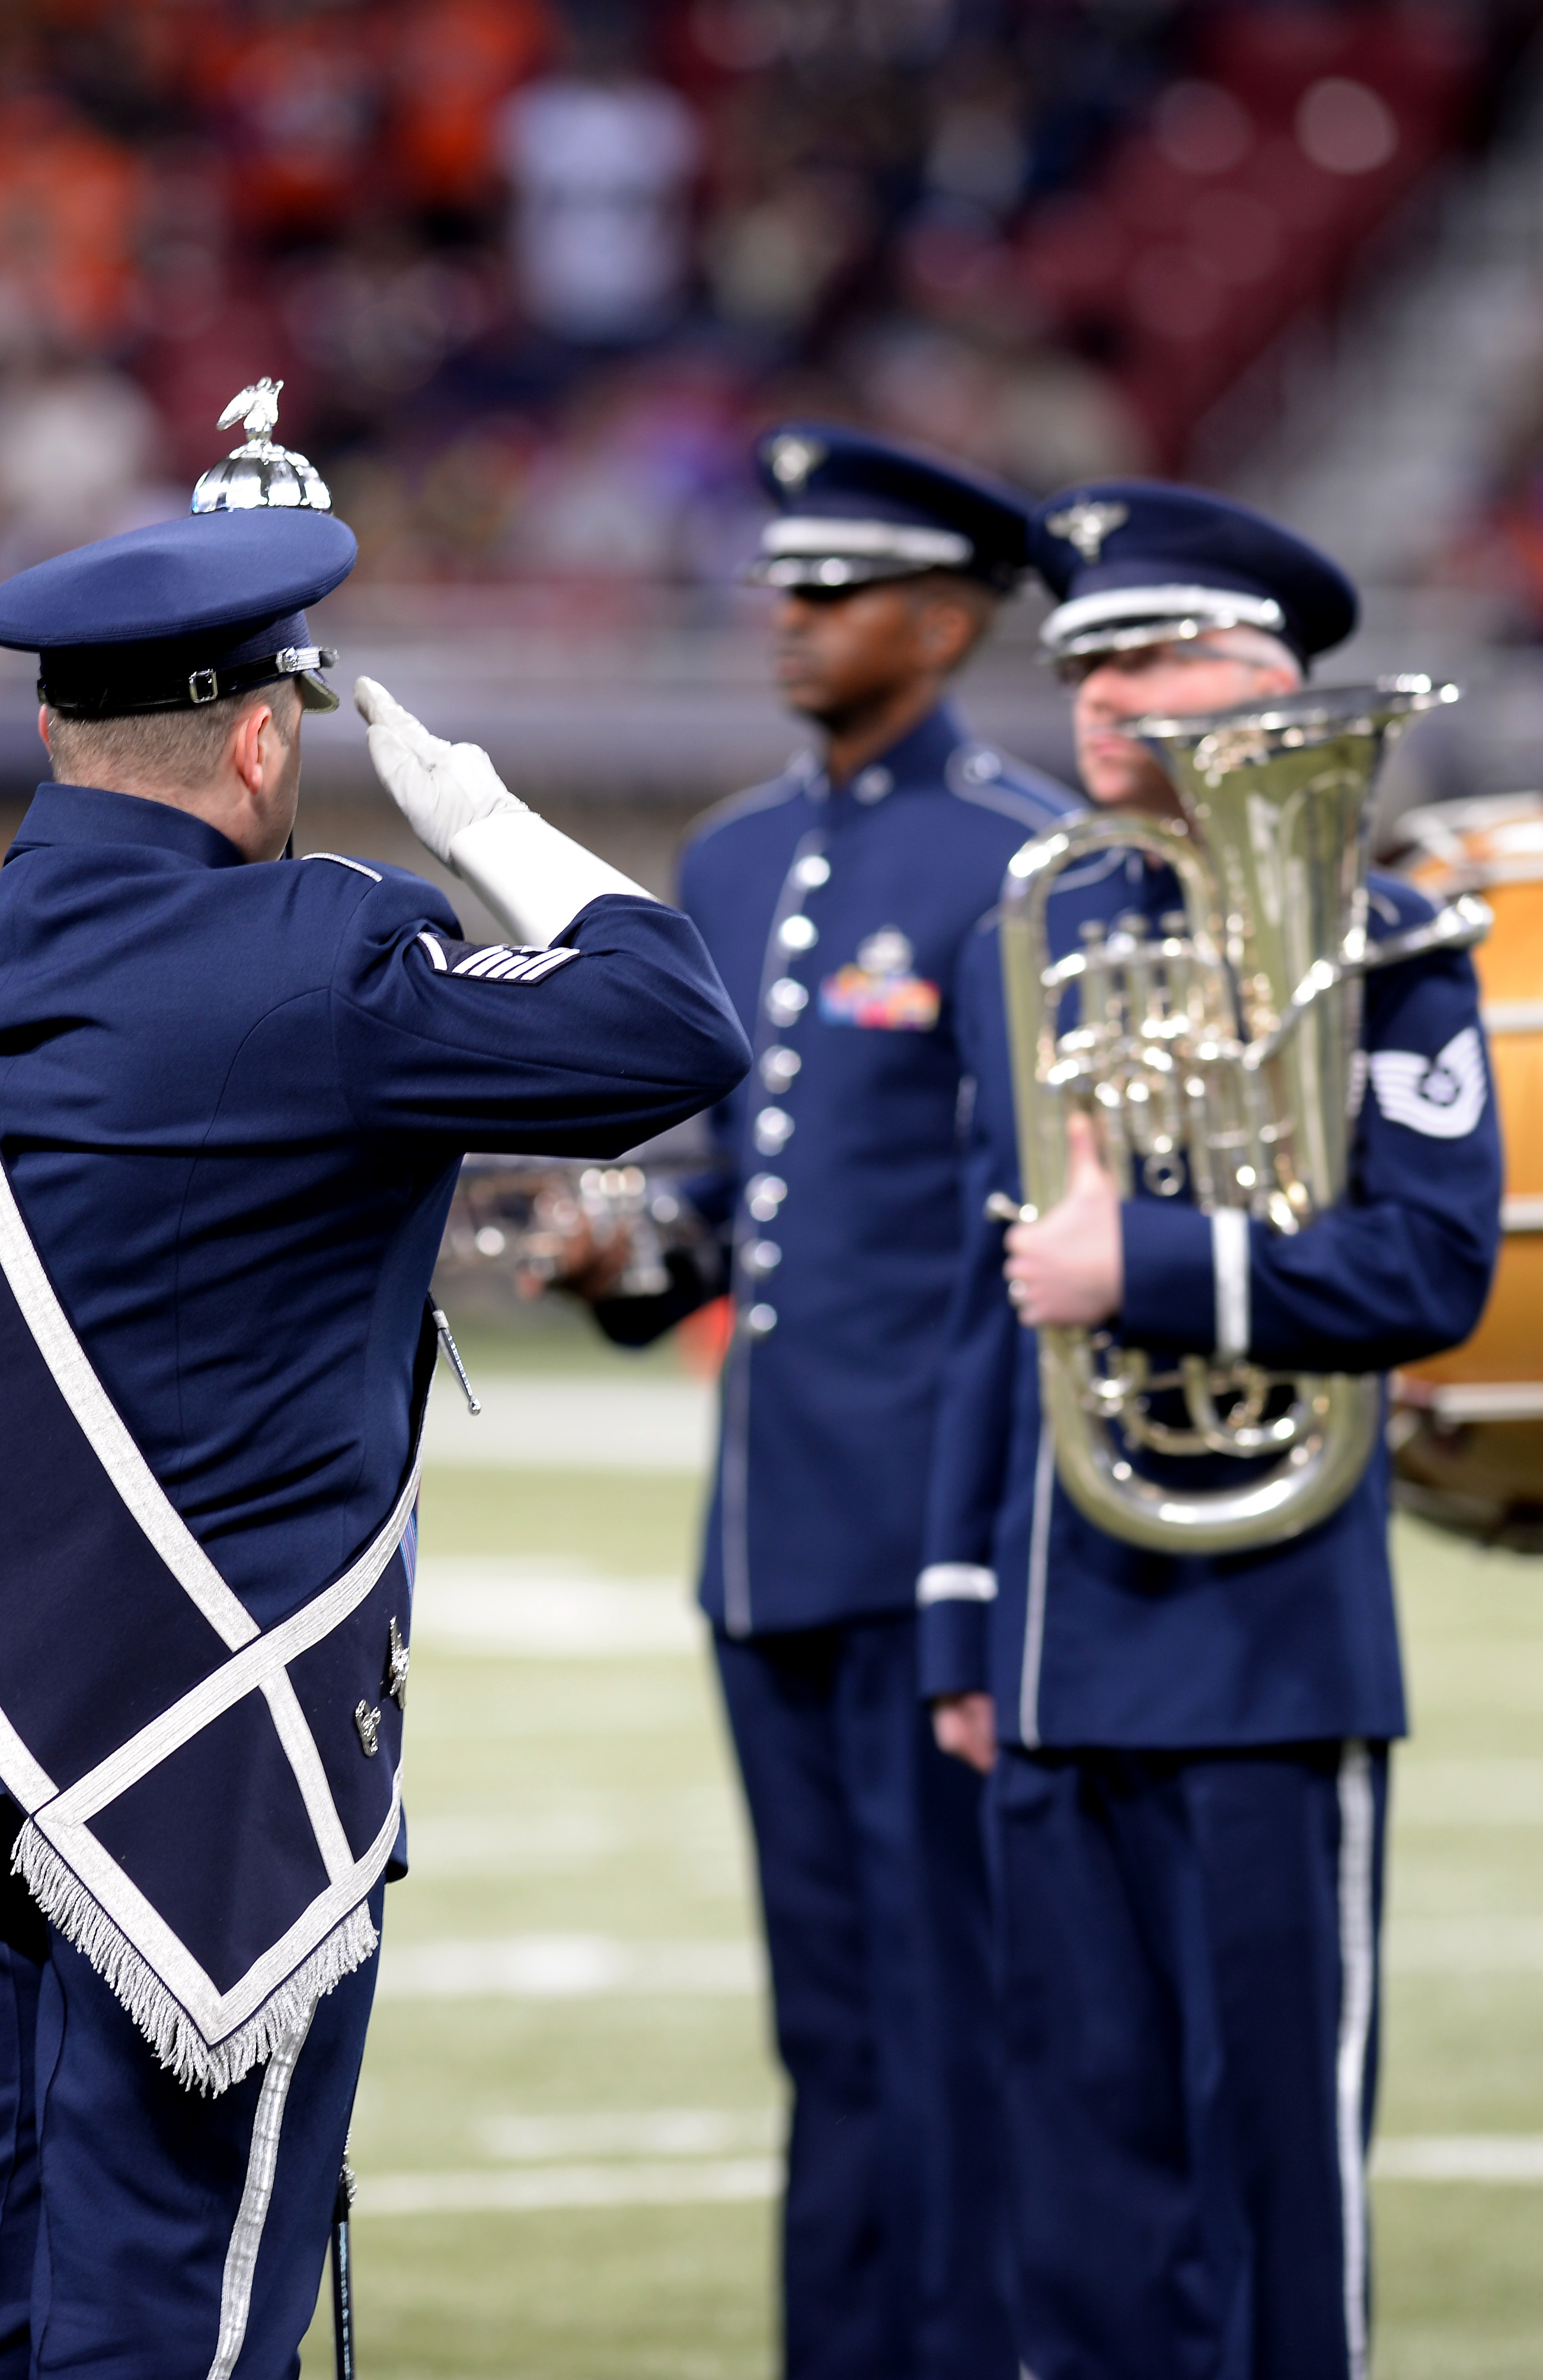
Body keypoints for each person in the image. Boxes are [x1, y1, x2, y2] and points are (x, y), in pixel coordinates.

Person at [0, 391, 747, 2379]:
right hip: (211, 1768)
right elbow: (672, 1017)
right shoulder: (322, 946)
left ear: (52, 725)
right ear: (258, 739)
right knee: (185, 2312)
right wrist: (480, 825)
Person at [921, 482, 1503, 2380]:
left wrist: (1153, 1268)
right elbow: (994, 1292)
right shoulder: (1035, 926)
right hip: (1054, 1638)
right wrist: (957, 1614)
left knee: (1271, 2186)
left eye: (1153, 656)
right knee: (1082, 2198)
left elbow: (1432, 1268)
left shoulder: (1395, 940)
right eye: (1083, 662)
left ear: (1268, 678)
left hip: (1269, 1641)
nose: (1104, 696)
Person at [552, 421, 1071, 2380]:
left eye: (838, 589)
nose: (791, 612)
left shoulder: (1019, 859)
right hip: (767, 1540)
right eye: (785, 581)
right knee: (828, 2032)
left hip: (927, 1543)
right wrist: (629, 1254)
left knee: (953, 2026)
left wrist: (973, 1561)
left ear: (946, 622)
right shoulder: (734, 854)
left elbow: (1013, 1231)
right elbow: (737, 1199)